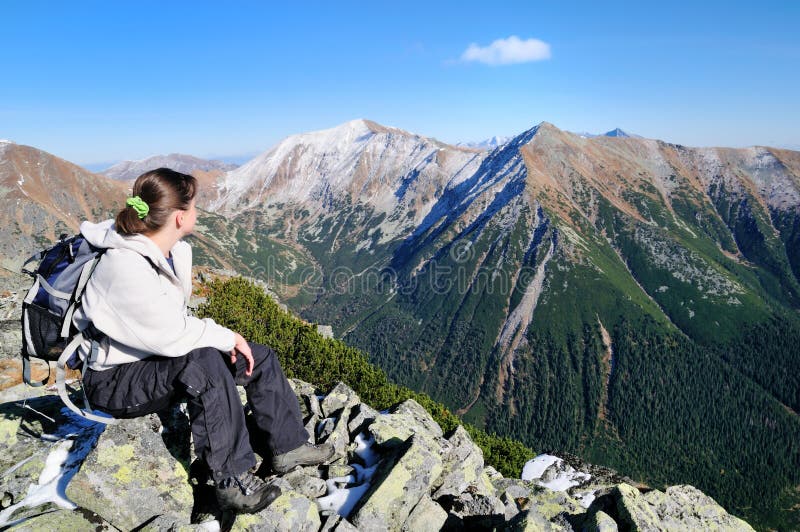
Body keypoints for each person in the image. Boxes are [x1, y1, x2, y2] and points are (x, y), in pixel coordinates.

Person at [72, 168, 333, 514]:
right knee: (206, 364)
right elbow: (172, 337)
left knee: (259, 357)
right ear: (180, 217)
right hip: (113, 381)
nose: (198, 213)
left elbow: (172, 325)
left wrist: (231, 342)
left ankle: (288, 446)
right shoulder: (124, 266)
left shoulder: (162, 251)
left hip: (147, 359)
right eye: (195, 207)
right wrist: (225, 337)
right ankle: (232, 479)